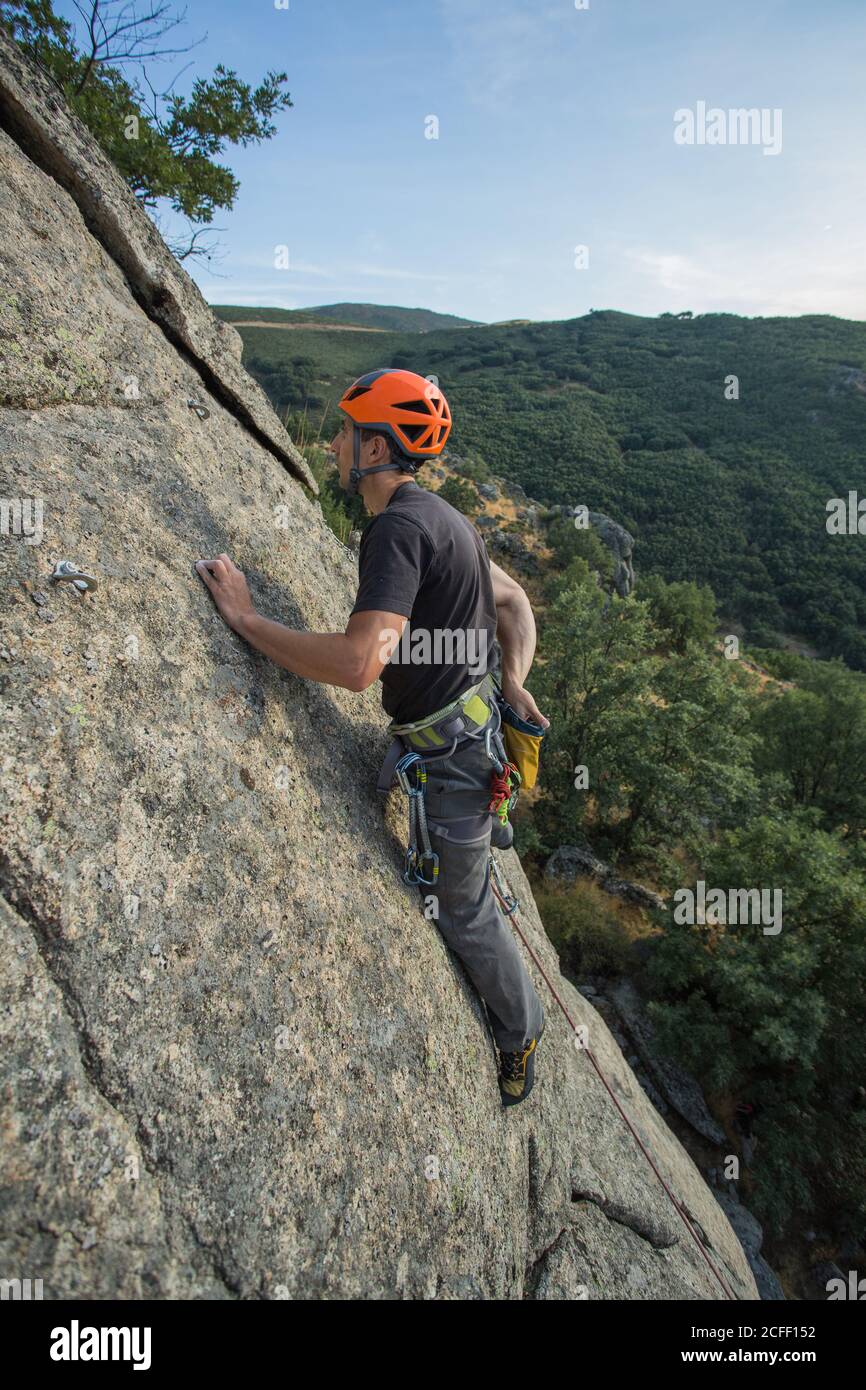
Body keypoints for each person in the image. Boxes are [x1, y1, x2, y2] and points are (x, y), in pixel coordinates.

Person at [196, 367, 549, 1105]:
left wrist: (246, 622)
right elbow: (514, 605)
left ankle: (522, 1032)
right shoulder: (444, 519)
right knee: (390, 781)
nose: (331, 444)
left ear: (378, 446)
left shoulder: (396, 530)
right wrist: (513, 678)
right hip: (461, 727)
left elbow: (360, 666)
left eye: (345, 432)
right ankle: (478, 826)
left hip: (451, 758)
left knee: (465, 910)